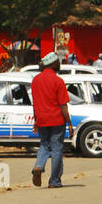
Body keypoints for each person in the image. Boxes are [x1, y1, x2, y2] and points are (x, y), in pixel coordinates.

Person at [30, 52, 72, 188]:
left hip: (42, 118)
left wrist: (36, 120)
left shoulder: (35, 80)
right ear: (53, 64)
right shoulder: (58, 81)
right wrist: (69, 123)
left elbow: (35, 104)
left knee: (44, 145)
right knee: (57, 149)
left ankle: (39, 165)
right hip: (57, 119)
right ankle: (54, 181)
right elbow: (63, 105)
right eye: (58, 62)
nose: (60, 64)